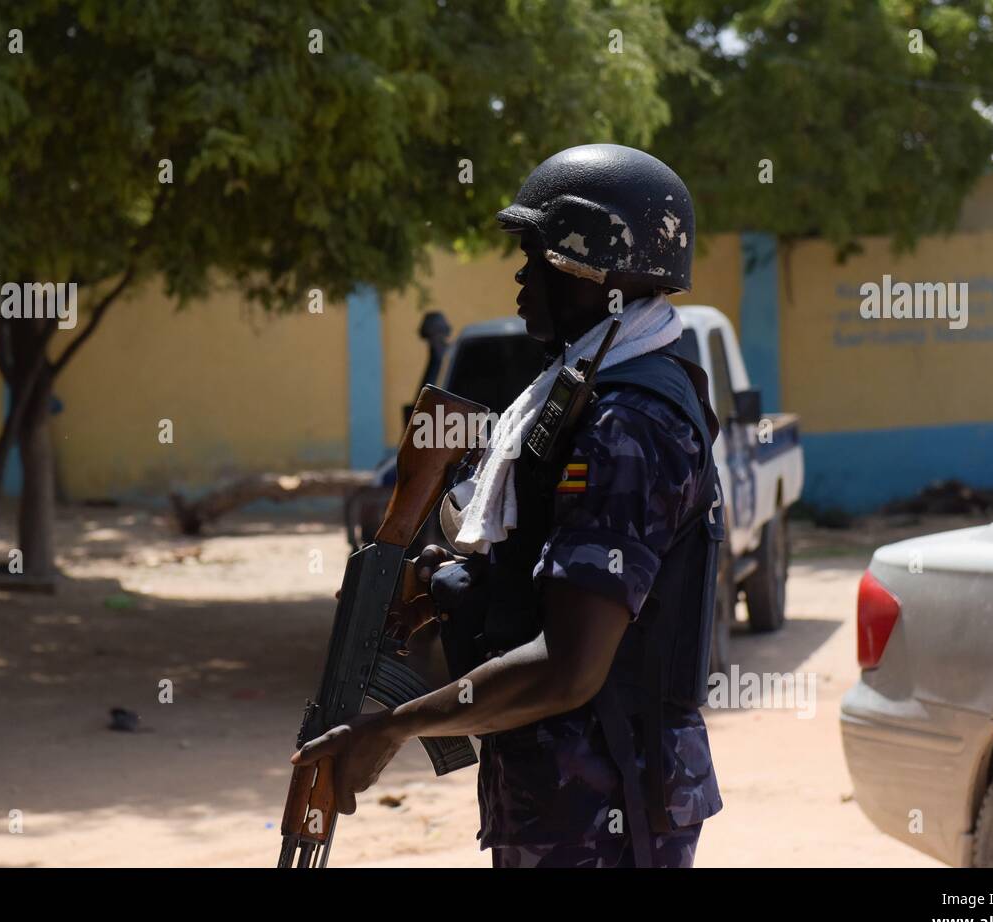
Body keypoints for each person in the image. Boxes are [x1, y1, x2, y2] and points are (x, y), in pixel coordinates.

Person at [293, 144, 724, 868]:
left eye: (542, 255)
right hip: (569, 798)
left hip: (609, 807)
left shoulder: (628, 422)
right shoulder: (581, 390)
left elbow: (568, 665)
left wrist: (388, 729)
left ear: (600, 270)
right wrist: (446, 585)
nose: (523, 275)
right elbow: (545, 591)